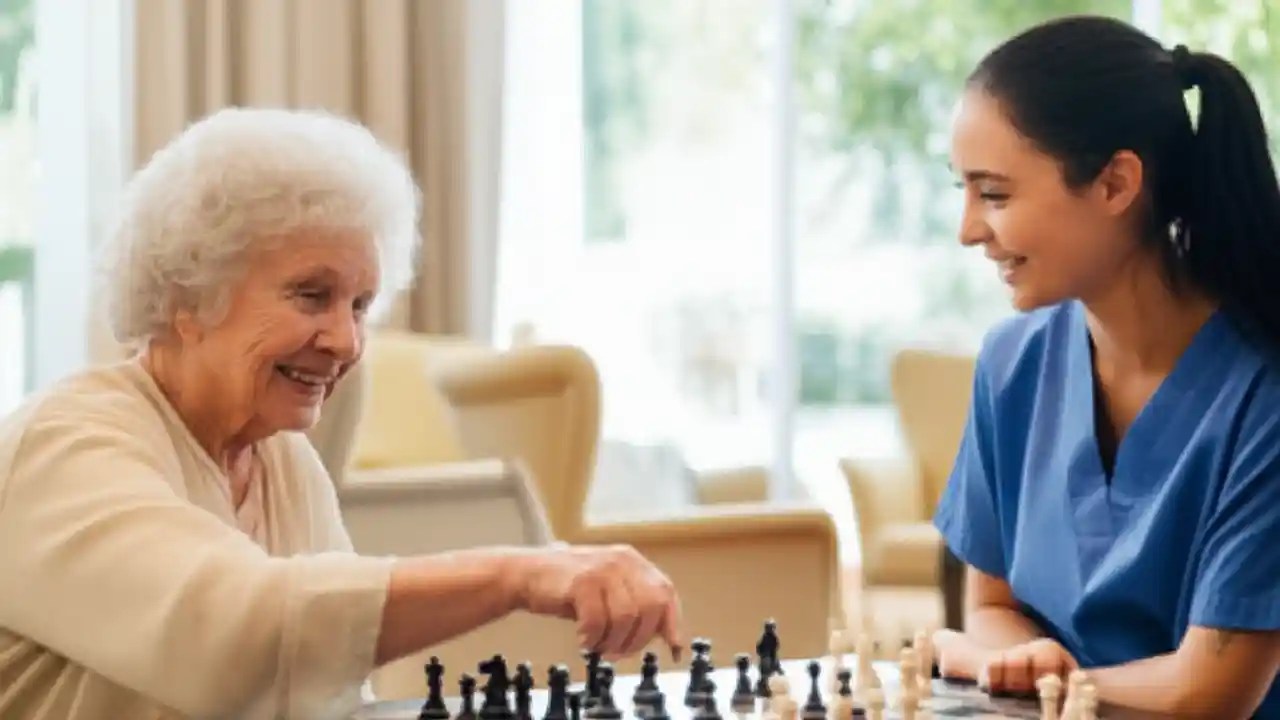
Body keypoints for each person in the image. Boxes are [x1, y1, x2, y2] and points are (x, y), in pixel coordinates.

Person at [0, 108, 683, 720]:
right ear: (187, 299)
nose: (347, 341)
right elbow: (236, 638)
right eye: (310, 295)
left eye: (359, 306)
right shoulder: (64, 445)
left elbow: (321, 693)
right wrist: (524, 573)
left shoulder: (279, 457)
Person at [930, 14, 1280, 719]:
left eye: (994, 193)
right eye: (962, 191)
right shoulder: (1011, 364)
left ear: (1116, 183)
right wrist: (1013, 659)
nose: (968, 229)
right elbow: (992, 605)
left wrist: (1035, 680)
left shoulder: (1262, 395)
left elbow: (1210, 691)